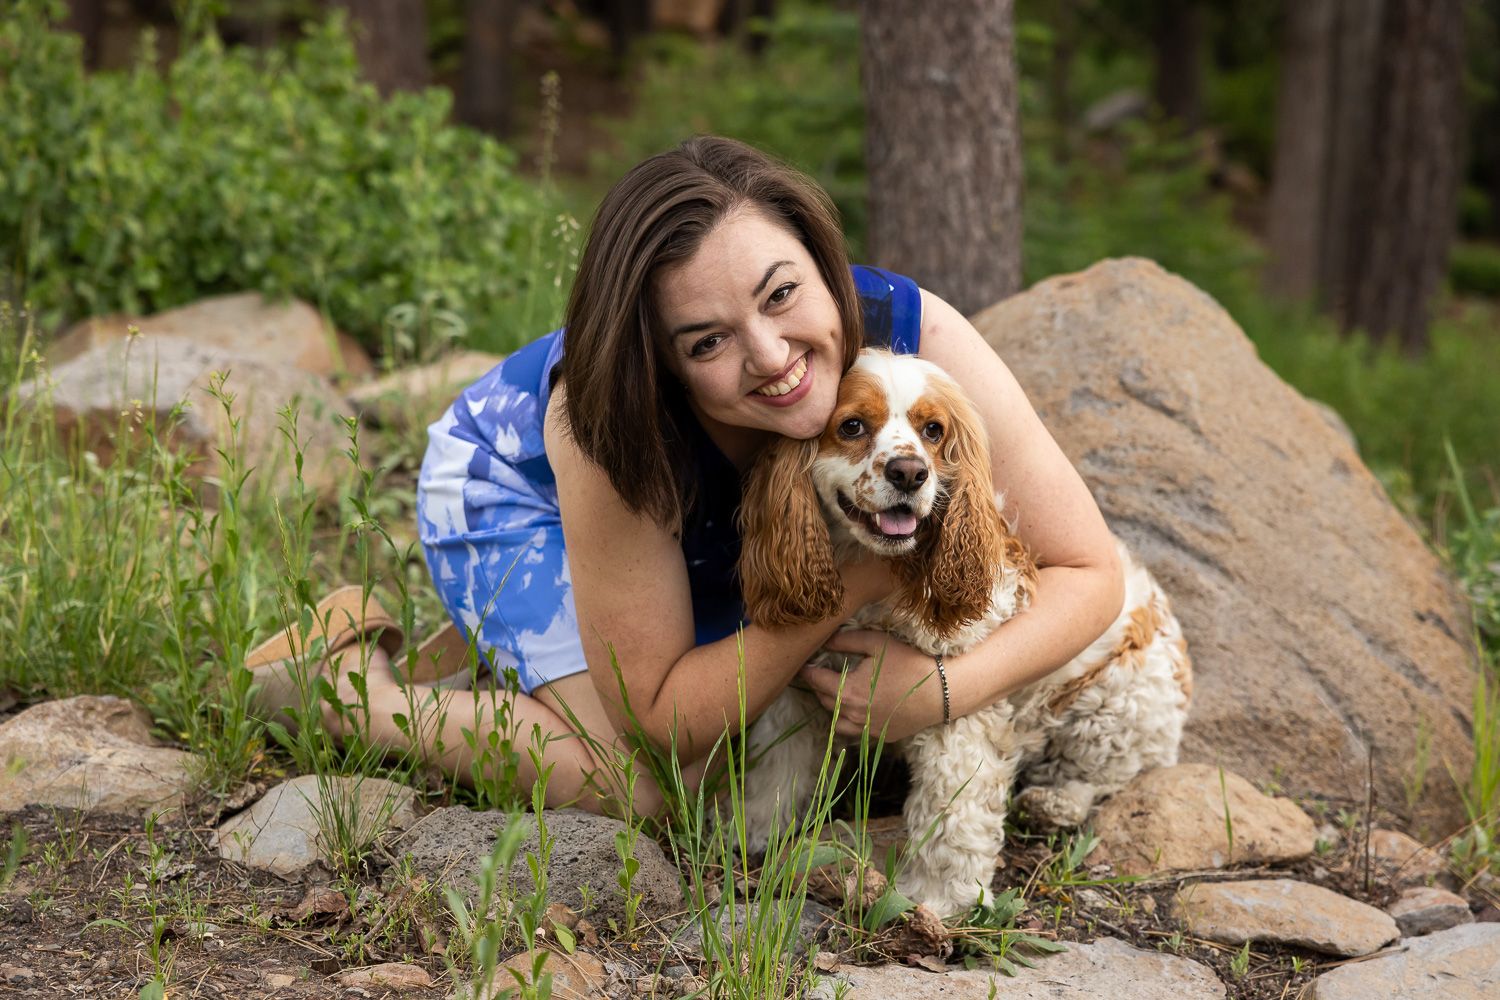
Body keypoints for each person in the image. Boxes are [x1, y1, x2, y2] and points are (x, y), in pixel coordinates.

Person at [248, 135, 1124, 816]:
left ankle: (528, 655)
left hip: (708, 547)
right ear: (661, 362)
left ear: (823, 261)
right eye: (708, 341)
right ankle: (346, 695)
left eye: (782, 294)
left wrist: (941, 692)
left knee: (763, 726)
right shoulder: (607, 423)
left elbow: (1089, 572)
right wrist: (862, 573)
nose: (775, 359)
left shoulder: (913, 340)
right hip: (515, 489)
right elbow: (664, 721)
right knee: (648, 788)